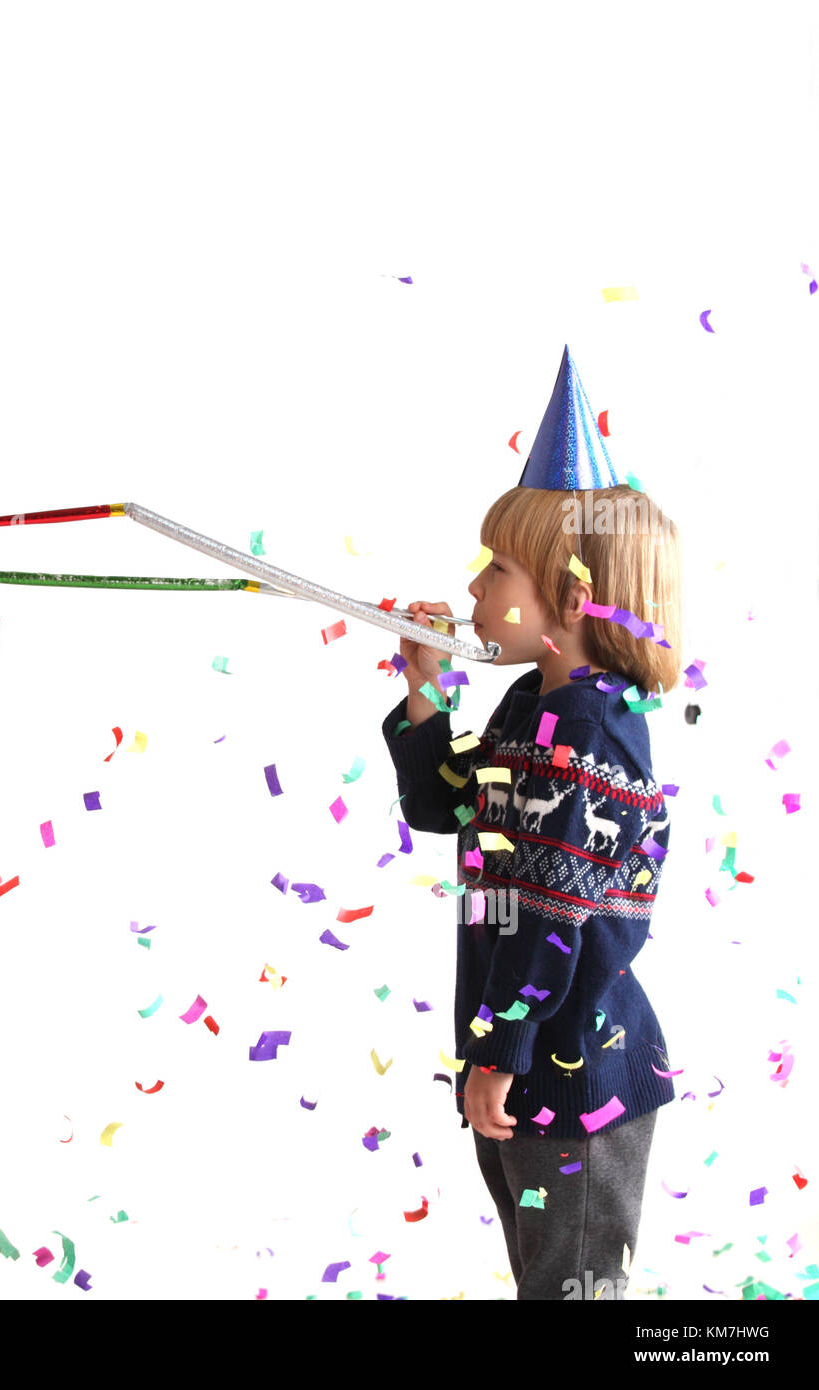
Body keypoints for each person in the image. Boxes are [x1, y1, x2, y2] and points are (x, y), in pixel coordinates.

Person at [381, 345, 681, 1301]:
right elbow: (447, 808)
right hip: (516, 1061)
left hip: (575, 1076)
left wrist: (501, 1055)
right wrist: (423, 698)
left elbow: (555, 908)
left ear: (571, 593)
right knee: (544, 1283)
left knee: (574, 1290)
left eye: (494, 569)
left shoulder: (594, 732)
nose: (473, 591)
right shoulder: (527, 709)